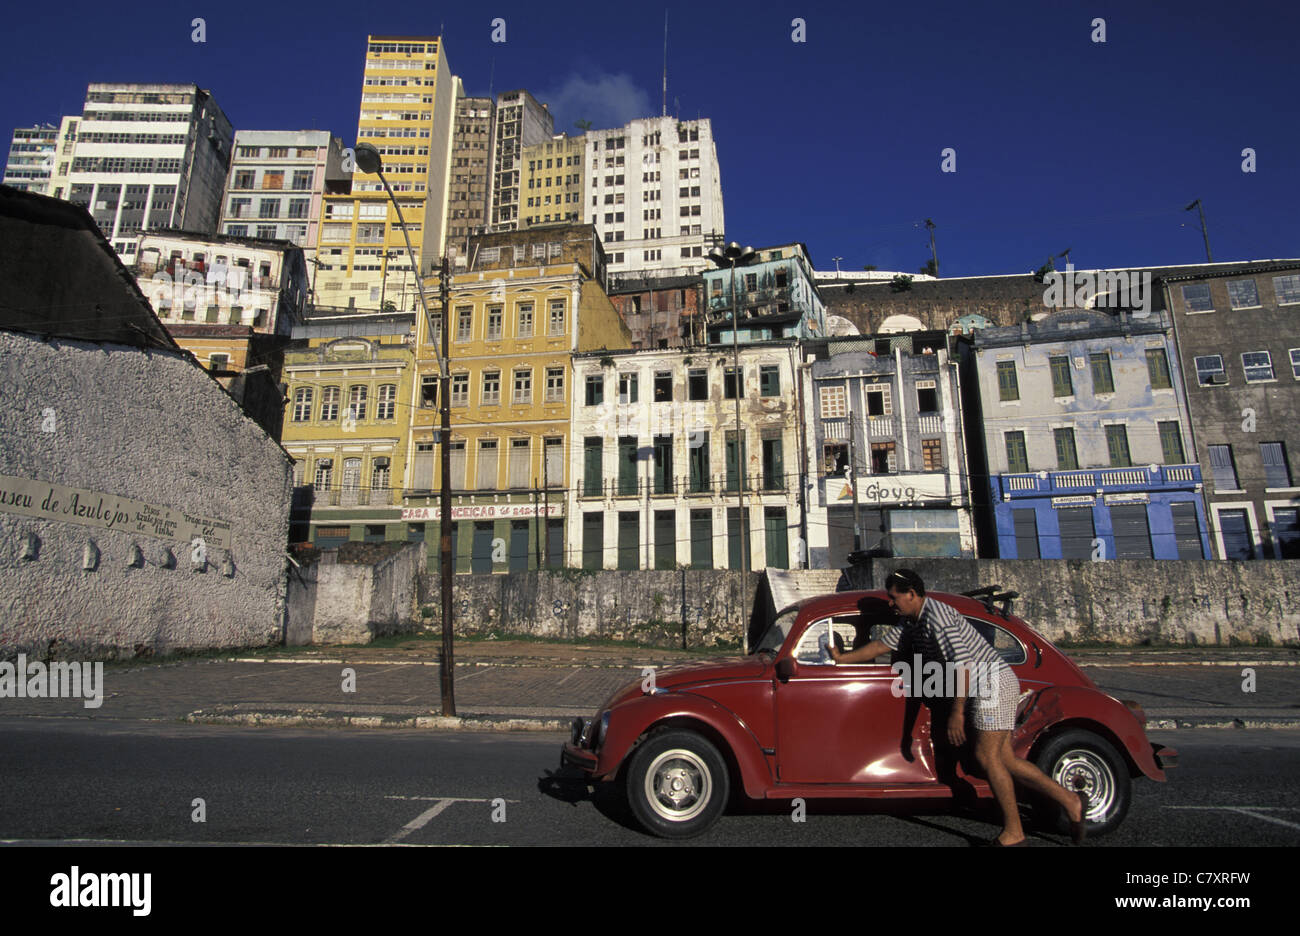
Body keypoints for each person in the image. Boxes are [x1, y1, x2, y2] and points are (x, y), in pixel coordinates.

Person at [830, 568, 1087, 846]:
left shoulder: (938, 619)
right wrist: (843, 658)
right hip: (984, 685)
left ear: (912, 594)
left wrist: (957, 712)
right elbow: (880, 645)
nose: (891, 603)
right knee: (1006, 760)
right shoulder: (913, 621)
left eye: (894, 597)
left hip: (991, 683)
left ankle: (1014, 832)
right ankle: (1070, 801)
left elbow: (963, 665)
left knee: (986, 758)